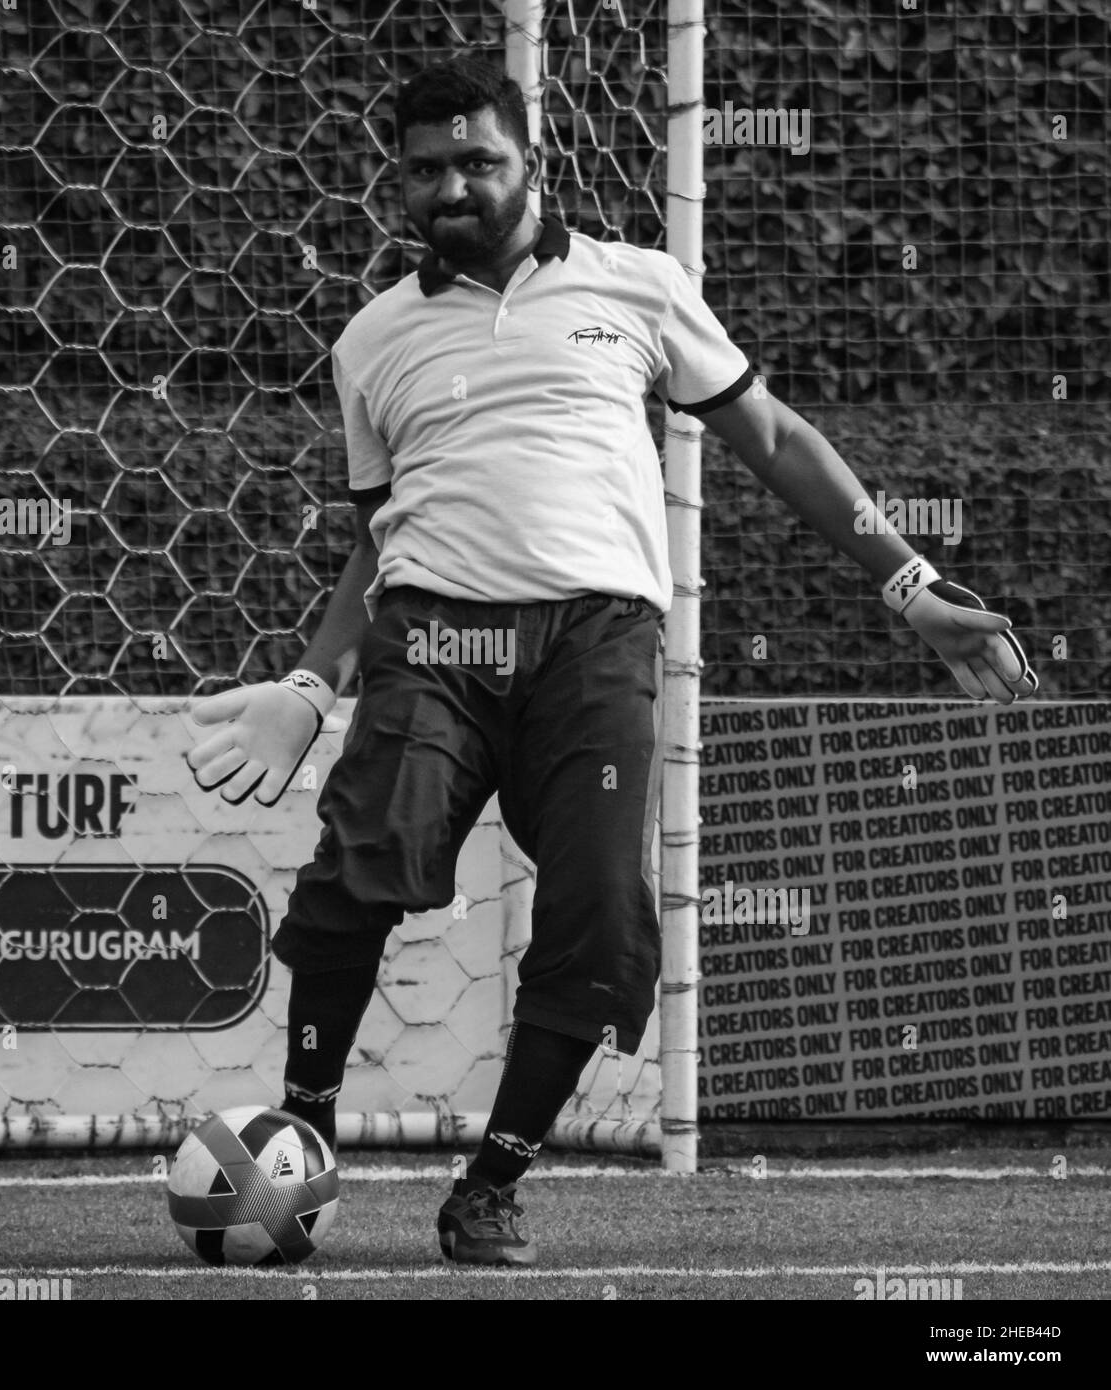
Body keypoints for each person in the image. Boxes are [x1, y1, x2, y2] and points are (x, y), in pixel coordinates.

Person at [188, 56, 1037, 1266]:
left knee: (602, 922)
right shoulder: (370, 339)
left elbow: (776, 437)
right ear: (398, 180)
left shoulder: (639, 287)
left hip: (597, 645)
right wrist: (311, 684)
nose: (455, 186)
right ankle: (303, 1136)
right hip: (434, 640)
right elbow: (380, 538)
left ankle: (489, 1185)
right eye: (427, 168)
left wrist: (908, 582)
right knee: (355, 875)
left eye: (479, 160)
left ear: (531, 159)